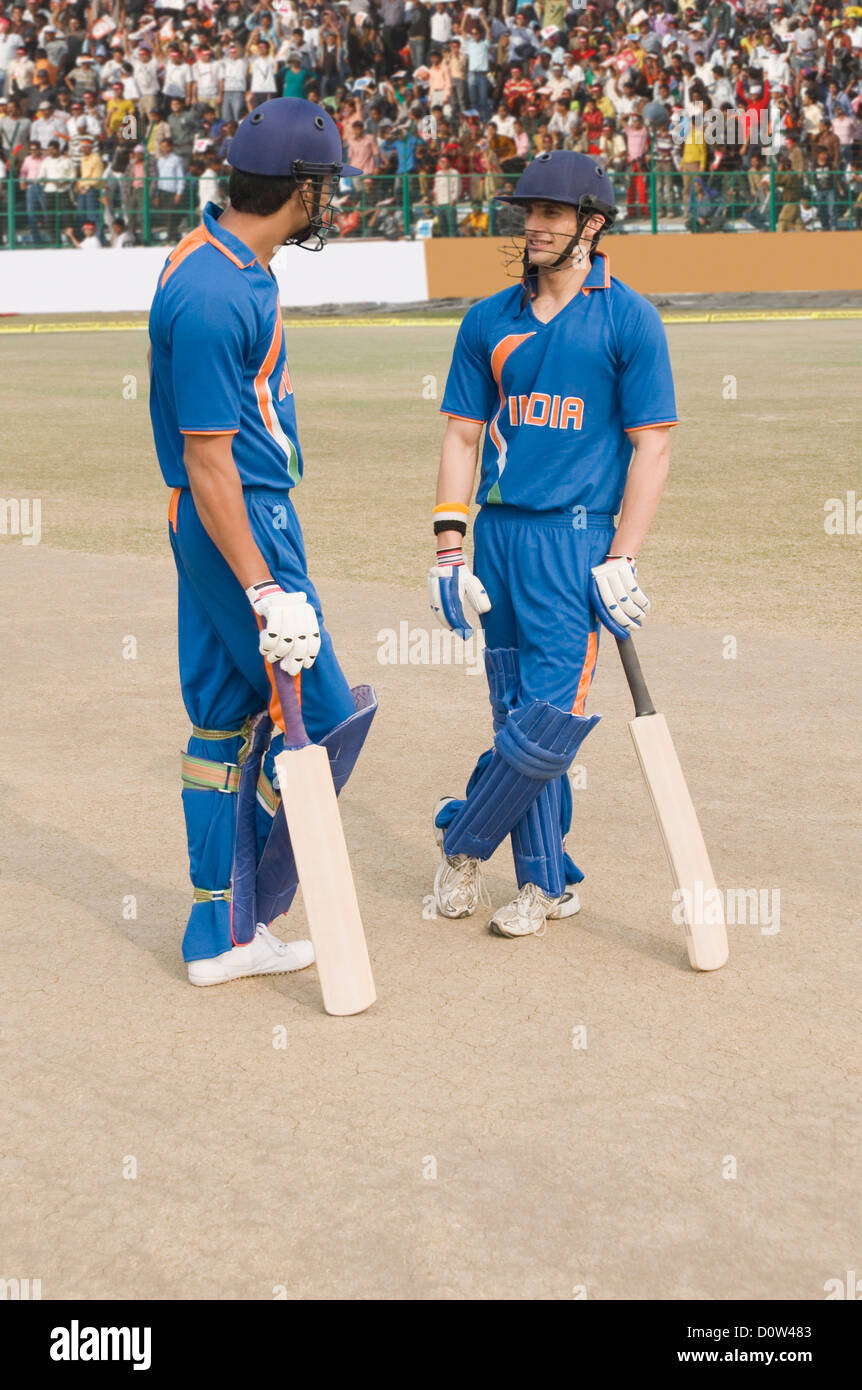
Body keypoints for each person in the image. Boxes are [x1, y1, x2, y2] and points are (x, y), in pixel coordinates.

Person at [147, 97, 375, 985]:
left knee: (219, 720)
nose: (332, 202)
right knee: (320, 720)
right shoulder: (211, 292)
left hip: (222, 518)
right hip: (239, 521)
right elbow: (209, 460)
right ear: (300, 187)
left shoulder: (230, 261)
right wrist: (264, 588)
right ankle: (257, 908)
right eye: (327, 187)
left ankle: (220, 937)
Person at [427, 150, 677, 937]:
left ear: (592, 226)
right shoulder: (487, 319)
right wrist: (447, 547)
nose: (533, 227)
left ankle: (465, 839)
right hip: (496, 537)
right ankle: (549, 882)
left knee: (546, 724)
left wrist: (622, 555)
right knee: (514, 717)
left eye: (552, 216)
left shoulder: (628, 317)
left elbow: (653, 446)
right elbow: (463, 436)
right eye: (527, 213)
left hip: (575, 544)